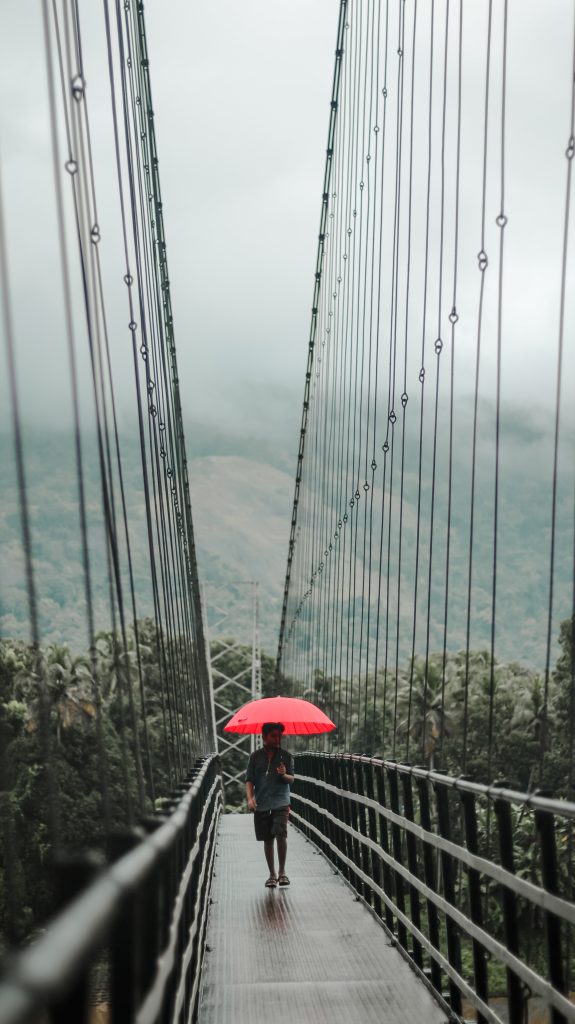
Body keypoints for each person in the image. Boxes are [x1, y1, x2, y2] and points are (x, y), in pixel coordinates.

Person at [245, 722, 295, 888]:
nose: (277, 739)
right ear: (264, 736)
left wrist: (284, 774)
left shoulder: (286, 756)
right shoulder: (255, 757)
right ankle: (272, 874)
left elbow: (291, 779)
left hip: (281, 801)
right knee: (268, 838)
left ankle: (282, 872)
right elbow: (249, 780)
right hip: (263, 801)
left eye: (279, 736)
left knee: (281, 833)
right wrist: (250, 798)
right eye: (273, 736)